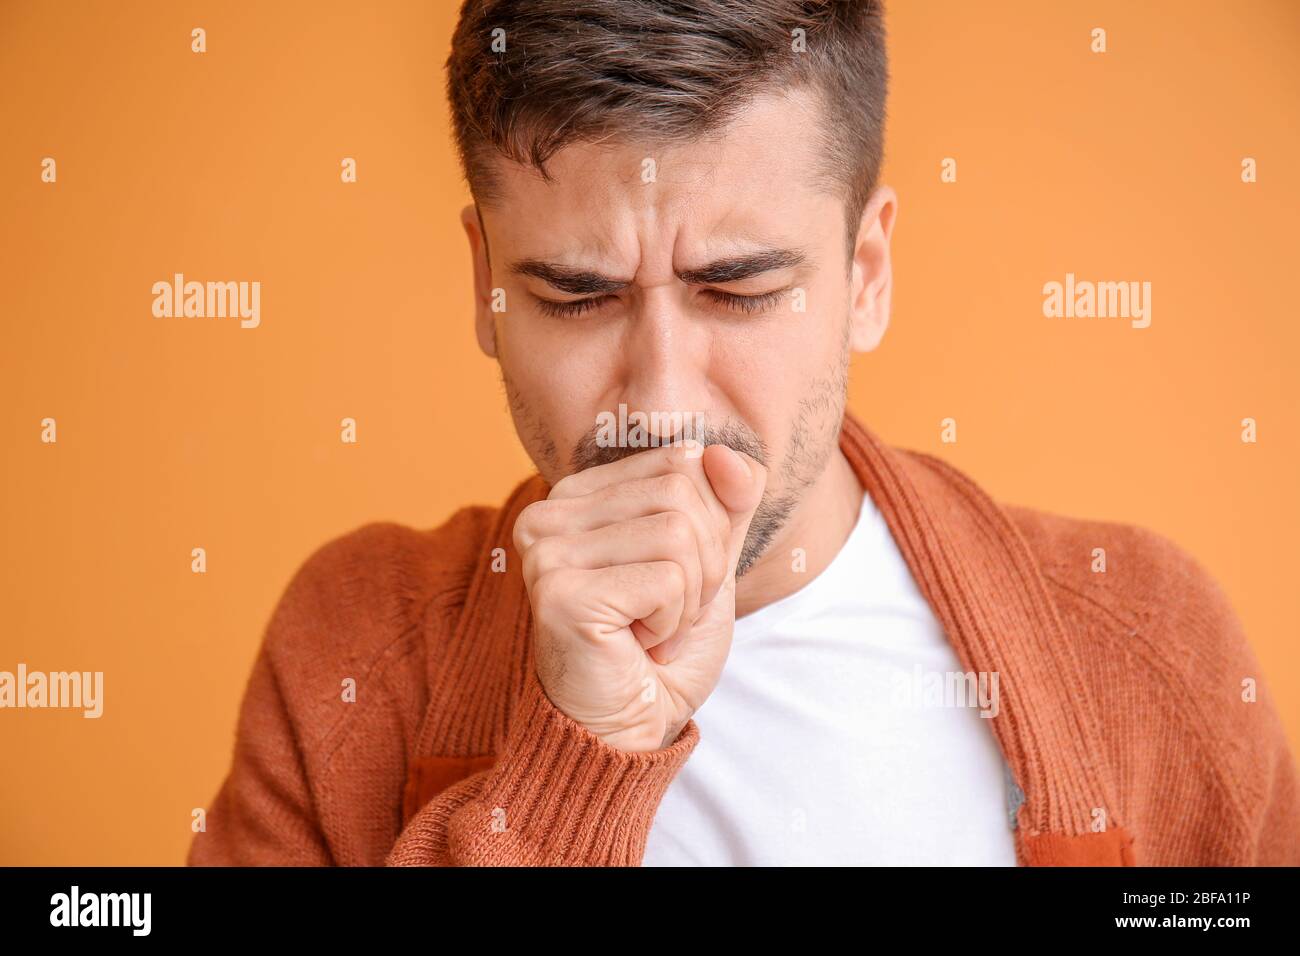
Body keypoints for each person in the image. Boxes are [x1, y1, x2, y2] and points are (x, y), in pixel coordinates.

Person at [188, 0, 1299, 866]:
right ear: (486, 283)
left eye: (738, 287)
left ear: (865, 274)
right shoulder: (354, 646)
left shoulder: (1149, 647)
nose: (660, 394)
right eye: (577, 294)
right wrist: (580, 758)